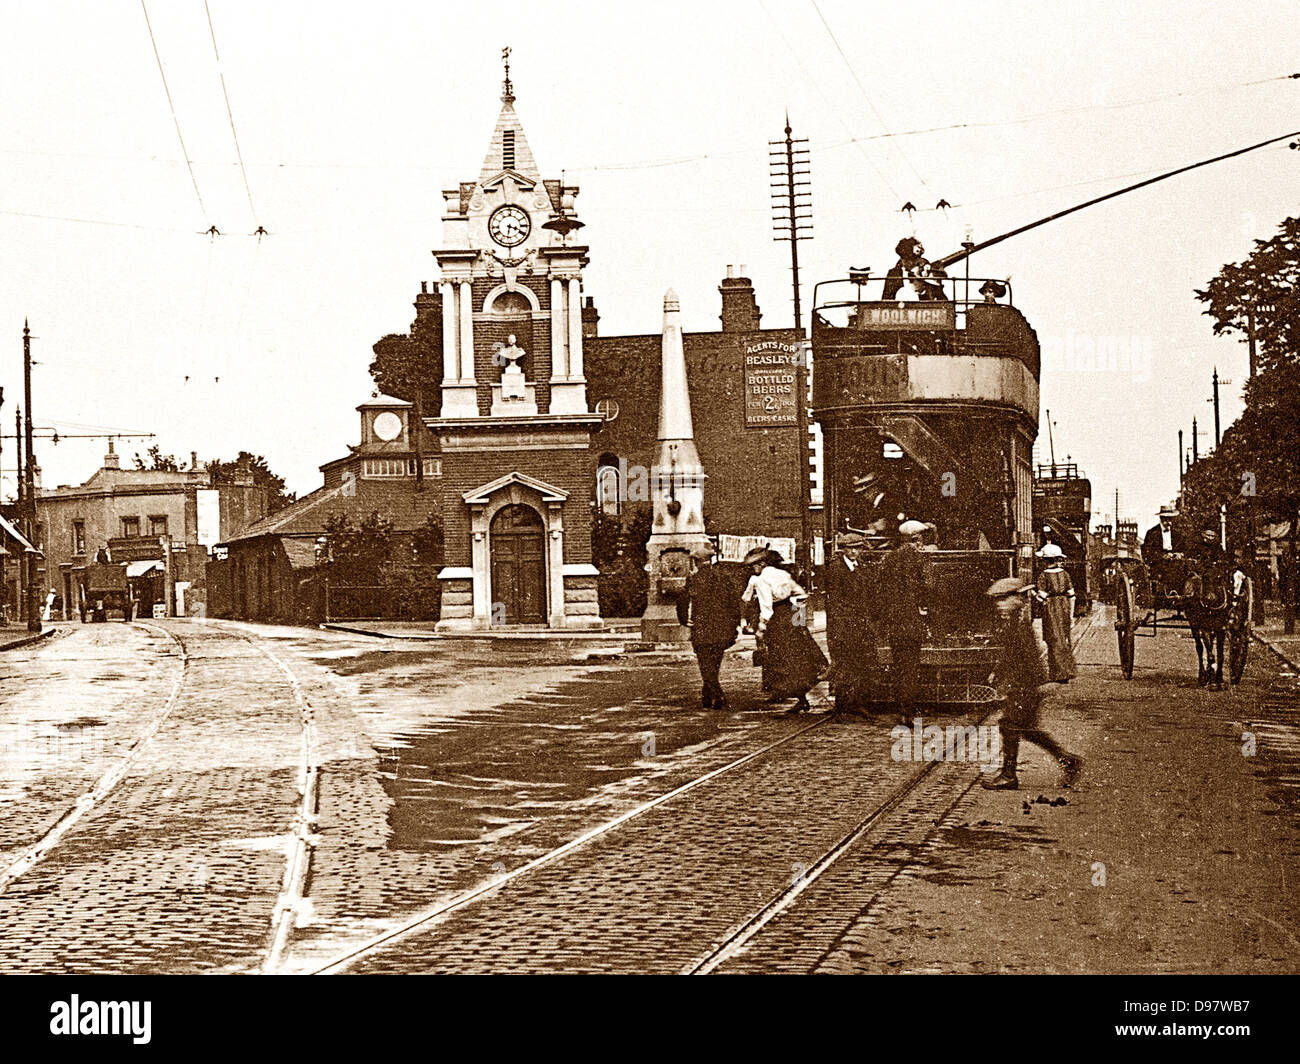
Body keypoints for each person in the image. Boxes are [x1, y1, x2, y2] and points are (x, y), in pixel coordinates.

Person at [981, 577, 1083, 790]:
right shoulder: (1013, 623)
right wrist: (997, 673)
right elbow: (1009, 655)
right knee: (1026, 729)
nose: (999, 605)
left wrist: (1036, 684)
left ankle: (1009, 776)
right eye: (997, 601)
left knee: (1010, 726)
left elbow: (1031, 658)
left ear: (1016, 599)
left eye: (1003, 600)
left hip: (1025, 686)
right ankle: (1068, 761)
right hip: (1023, 685)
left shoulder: (1020, 625)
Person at [745, 546, 827, 713]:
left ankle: (795, 696)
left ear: (761, 564)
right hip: (791, 615)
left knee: (782, 659)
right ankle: (803, 694)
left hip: (777, 620)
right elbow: (801, 595)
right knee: (798, 656)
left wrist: (761, 628)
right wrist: (799, 621)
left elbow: (766, 608)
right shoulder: (782, 574)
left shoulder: (760, 579)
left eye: (754, 566)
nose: (753, 569)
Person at [677, 542, 742, 709]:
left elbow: (683, 601)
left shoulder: (694, 579)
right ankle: (707, 693)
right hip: (721, 628)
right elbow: (734, 604)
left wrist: (684, 619)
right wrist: (734, 625)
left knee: (705, 663)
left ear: (697, 562)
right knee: (715, 662)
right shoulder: (724, 577)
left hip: (702, 627)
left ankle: (717, 694)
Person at [823, 532, 881, 715]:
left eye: (857, 548)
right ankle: (842, 706)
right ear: (844, 550)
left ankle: (857, 703)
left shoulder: (861, 568)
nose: (854, 552)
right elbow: (835, 603)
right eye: (851, 548)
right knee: (843, 665)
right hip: (843, 626)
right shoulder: (835, 569)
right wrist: (840, 628)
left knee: (861, 665)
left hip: (861, 625)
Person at [880, 519, 930, 722]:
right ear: (915, 539)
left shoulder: (889, 558)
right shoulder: (915, 558)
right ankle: (908, 711)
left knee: (900, 667)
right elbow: (920, 588)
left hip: (894, 623)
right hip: (910, 622)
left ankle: (902, 707)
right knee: (910, 667)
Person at [1034, 544, 1077, 683]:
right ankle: (1067, 670)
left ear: (1047, 560)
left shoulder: (1043, 575)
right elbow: (1071, 594)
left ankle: (1057, 673)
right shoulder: (1065, 574)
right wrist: (1071, 614)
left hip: (1051, 607)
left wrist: (1033, 594)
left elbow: (1042, 596)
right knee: (1064, 638)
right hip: (1064, 605)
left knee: (1052, 638)